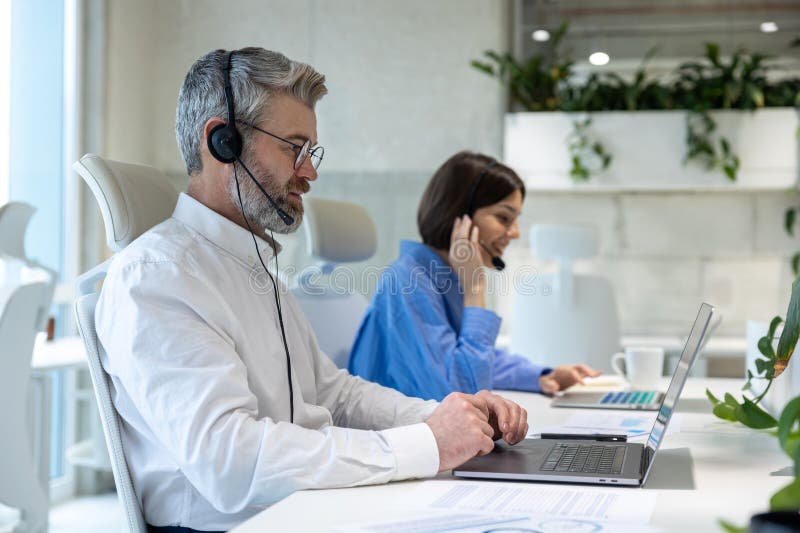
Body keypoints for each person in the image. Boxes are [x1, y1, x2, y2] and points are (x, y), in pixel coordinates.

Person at [95, 50, 529, 533]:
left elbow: (331, 394)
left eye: (311, 151)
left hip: (305, 509)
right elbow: (230, 462)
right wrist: (425, 443)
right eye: (293, 147)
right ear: (222, 141)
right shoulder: (157, 276)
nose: (310, 171)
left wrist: (449, 415)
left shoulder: (258, 270)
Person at [348, 151, 600, 401]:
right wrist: (475, 287)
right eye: (503, 218)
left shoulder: (440, 277)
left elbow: (475, 357)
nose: (515, 233)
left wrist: (543, 375)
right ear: (459, 215)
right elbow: (465, 395)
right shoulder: (408, 283)